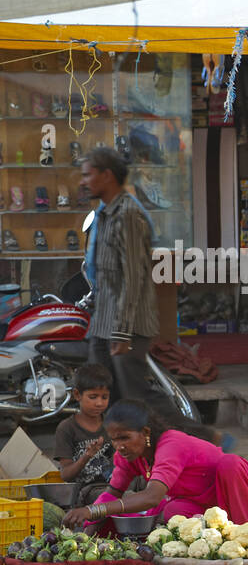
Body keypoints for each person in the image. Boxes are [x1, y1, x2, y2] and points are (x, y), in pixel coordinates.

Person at [61, 399, 248, 528]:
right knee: (173, 511)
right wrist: (86, 527)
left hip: (239, 491)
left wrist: (93, 510)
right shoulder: (128, 455)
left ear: (145, 433)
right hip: (207, 505)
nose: (118, 446)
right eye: (113, 439)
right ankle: (221, 539)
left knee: (230, 463)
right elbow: (113, 492)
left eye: (124, 438)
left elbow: (151, 496)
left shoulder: (171, 444)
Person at [79, 147, 166, 409]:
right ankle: (113, 449)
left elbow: (133, 277)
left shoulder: (127, 214)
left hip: (127, 324)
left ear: (107, 176)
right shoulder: (104, 214)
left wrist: (122, 332)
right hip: (104, 321)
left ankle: (205, 438)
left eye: (88, 175)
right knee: (102, 396)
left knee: (138, 397)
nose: (83, 181)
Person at [52, 363, 116, 507]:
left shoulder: (112, 424)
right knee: (113, 497)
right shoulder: (66, 428)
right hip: (85, 491)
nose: (99, 403)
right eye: (93, 397)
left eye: (104, 397)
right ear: (77, 395)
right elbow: (66, 475)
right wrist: (87, 455)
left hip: (114, 485)